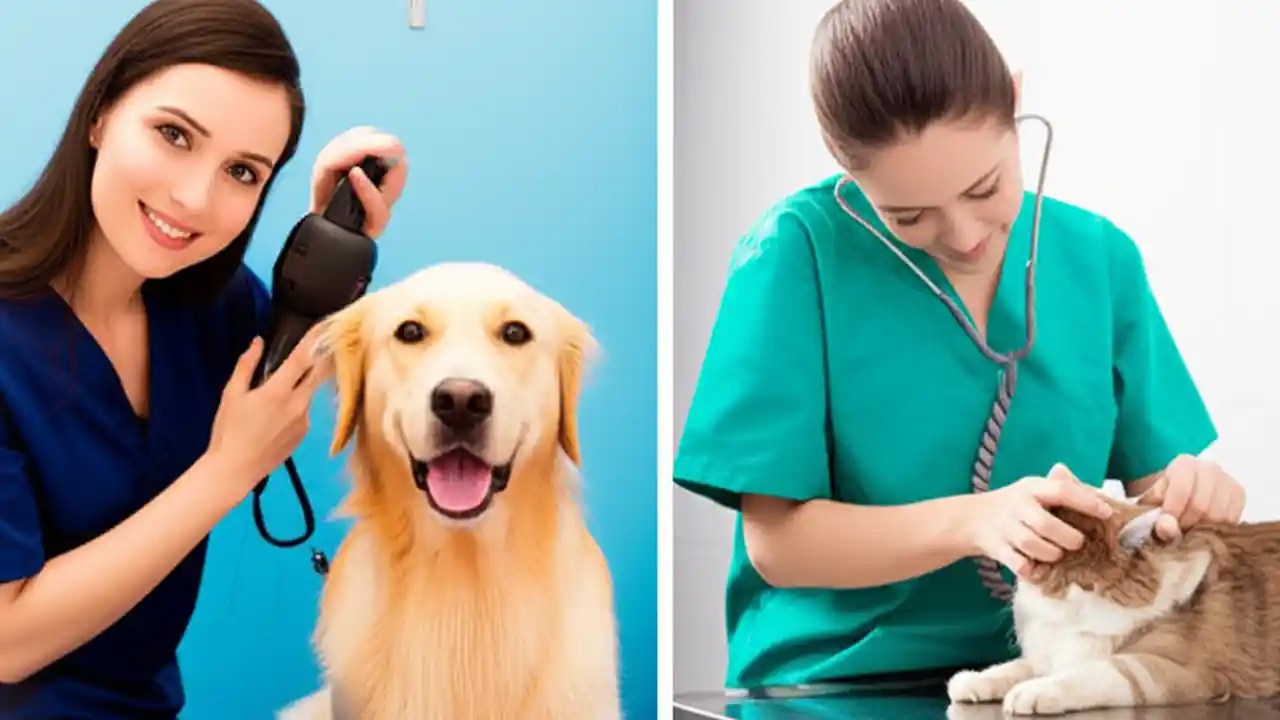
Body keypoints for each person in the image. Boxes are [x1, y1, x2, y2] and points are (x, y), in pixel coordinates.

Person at [674, 0, 1246, 692]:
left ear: (1014, 101)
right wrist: (977, 521)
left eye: (986, 188)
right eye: (908, 215)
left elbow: (1154, 496)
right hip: (841, 681)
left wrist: (1191, 495)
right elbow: (779, 545)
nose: (966, 235)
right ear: (848, 172)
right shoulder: (794, 256)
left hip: (1066, 670)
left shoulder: (1098, 258)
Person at [0, 1, 408, 716]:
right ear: (99, 113)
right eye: (173, 134)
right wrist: (226, 471)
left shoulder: (209, 305)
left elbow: (308, 368)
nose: (194, 198)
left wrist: (327, 251)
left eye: (244, 173)